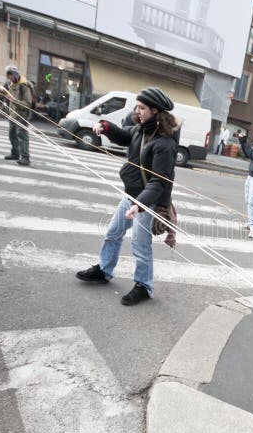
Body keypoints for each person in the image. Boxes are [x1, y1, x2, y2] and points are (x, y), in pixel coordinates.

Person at [75, 87, 179, 306]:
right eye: (137, 107)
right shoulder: (139, 130)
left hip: (146, 203)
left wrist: (140, 206)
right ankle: (104, 270)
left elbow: (159, 182)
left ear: (155, 110)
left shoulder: (165, 145)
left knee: (140, 247)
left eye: (142, 108)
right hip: (131, 197)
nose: (137, 111)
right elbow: (122, 136)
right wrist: (104, 126)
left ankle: (144, 286)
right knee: (113, 233)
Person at [2, 65, 31, 166]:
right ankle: (15, 153)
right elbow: (9, 96)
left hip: (22, 115)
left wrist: (13, 100)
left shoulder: (24, 85)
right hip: (13, 114)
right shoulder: (12, 84)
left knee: (22, 136)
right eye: (8, 77)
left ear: (15, 74)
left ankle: (25, 158)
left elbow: (28, 104)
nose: (9, 79)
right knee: (12, 135)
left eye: (11, 76)